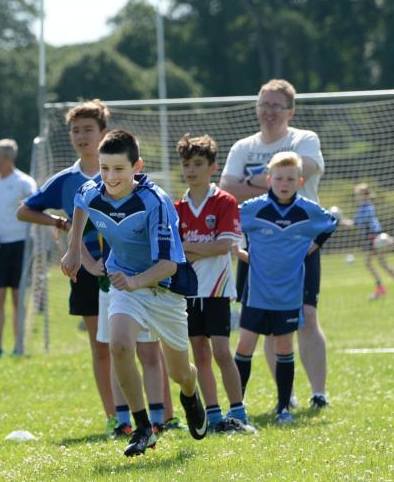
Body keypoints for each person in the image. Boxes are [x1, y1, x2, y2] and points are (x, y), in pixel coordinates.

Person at [61, 129, 208, 456]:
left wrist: (138, 281)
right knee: (119, 345)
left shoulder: (154, 200)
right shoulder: (91, 189)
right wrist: (74, 251)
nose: (110, 177)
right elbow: (79, 206)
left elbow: (170, 264)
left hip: (163, 289)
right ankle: (143, 428)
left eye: (119, 169)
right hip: (126, 282)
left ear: (137, 167)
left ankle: (190, 394)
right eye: (104, 168)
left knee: (179, 372)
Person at [221, 78, 331, 410]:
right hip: (256, 252)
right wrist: (272, 184)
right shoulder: (243, 147)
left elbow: (306, 171)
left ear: (290, 110)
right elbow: (227, 188)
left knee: (307, 316)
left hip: (299, 248)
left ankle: (319, 393)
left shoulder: (304, 139)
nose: (269, 112)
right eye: (264, 104)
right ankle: (288, 398)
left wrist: (254, 181)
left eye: (276, 106)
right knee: (265, 325)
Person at [16, 100, 122, 434]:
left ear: (103, 133)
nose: (81, 136)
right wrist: (59, 224)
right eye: (75, 131)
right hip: (86, 271)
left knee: (133, 344)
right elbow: (24, 210)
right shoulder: (65, 180)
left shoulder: (121, 171)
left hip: (126, 268)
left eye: (88, 129)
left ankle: (155, 413)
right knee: (100, 345)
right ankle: (114, 417)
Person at [233, 152, 337, 424]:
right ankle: (236, 408)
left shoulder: (306, 210)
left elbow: (330, 223)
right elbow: (230, 226)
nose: (284, 182)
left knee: (283, 346)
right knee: (244, 345)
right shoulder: (253, 208)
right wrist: (239, 251)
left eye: (291, 178)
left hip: (289, 294)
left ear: (300, 181)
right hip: (256, 292)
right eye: (279, 178)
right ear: (269, 179)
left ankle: (283, 409)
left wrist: (311, 249)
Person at [174, 134, 254, 434]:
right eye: (186, 164)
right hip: (189, 291)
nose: (191, 170)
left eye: (198, 164)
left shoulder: (224, 202)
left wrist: (189, 247)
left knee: (221, 351)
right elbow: (176, 250)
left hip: (218, 288)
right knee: (200, 353)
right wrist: (194, 248)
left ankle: (239, 412)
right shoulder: (177, 207)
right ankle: (214, 415)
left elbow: (223, 246)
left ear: (212, 167)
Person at [0, 139, 37, 352]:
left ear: (8, 158)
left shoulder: (24, 182)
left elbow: (35, 208)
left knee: (17, 300)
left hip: (21, 247)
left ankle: (19, 345)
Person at [353, 183, 394, 299]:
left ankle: (380, 287)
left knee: (370, 263)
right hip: (372, 237)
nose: (356, 197)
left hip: (374, 237)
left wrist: (339, 221)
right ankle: (385, 285)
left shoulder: (367, 207)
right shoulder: (362, 208)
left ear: (364, 195)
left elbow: (357, 223)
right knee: (382, 263)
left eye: (358, 195)